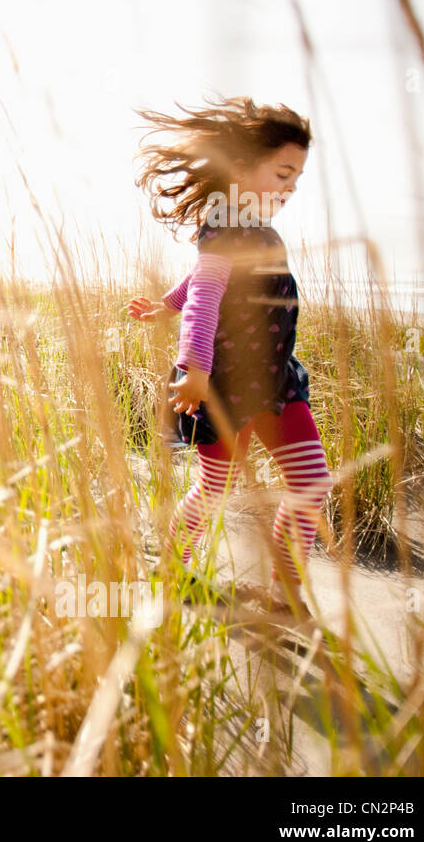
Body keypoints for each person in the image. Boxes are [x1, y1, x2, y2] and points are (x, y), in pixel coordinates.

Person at [126, 96, 335, 614]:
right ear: (242, 166)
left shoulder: (254, 227)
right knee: (213, 488)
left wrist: (162, 306)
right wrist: (194, 370)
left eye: (297, 179)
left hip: (278, 380)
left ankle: (284, 594)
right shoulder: (225, 225)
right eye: (283, 173)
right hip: (221, 382)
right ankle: (174, 569)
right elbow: (208, 295)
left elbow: (197, 279)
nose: (290, 188)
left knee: (311, 481)